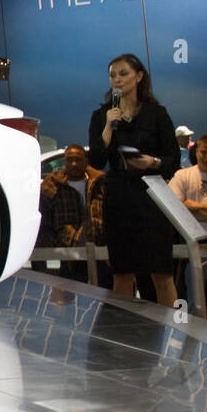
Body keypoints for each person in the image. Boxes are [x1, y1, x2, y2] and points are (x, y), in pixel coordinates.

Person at [87, 53, 181, 307]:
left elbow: (173, 159)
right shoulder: (102, 116)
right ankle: (125, 340)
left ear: (139, 76)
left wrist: (153, 162)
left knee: (162, 272)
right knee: (122, 272)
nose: (117, 79)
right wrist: (108, 127)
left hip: (151, 196)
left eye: (123, 73)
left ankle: (172, 337)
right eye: (112, 75)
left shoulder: (157, 114)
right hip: (118, 198)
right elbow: (95, 161)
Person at [37, 143, 109, 285]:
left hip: (98, 245)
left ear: (86, 161)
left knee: (104, 293)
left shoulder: (100, 183)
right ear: (65, 162)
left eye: (78, 159)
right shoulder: (52, 186)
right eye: (70, 160)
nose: (74, 164)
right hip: (68, 250)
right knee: (71, 294)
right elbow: (44, 218)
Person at [169, 134, 207, 243]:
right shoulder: (182, 175)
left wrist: (197, 206)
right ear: (196, 152)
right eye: (203, 152)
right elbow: (176, 210)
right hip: (189, 237)